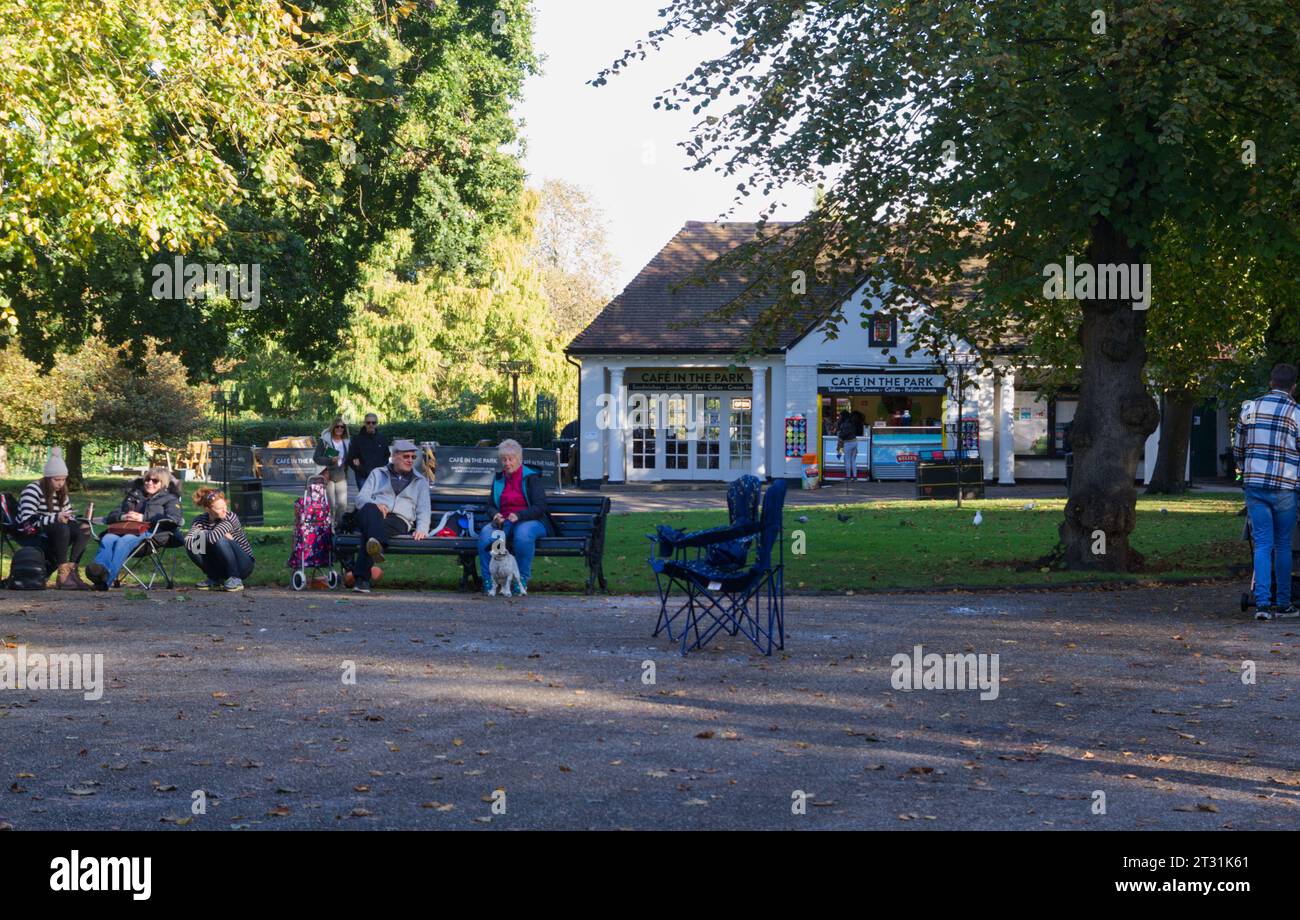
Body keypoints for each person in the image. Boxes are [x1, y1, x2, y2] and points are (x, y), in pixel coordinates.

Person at [1235, 363, 1300, 620]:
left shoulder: (1250, 408)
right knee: (1283, 544)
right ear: (1293, 386)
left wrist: (1243, 467)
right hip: (1285, 486)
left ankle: (1262, 604)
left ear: (1270, 382)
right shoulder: (1296, 412)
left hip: (1255, 485)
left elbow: (1238, 446)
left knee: (1263, 543)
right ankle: (1283, 603)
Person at [351, 439, 430, 593]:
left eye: (413, 457)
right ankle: (377, 546)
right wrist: (376, 505)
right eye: (406, 456)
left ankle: (362, 578)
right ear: (394, 457)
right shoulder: (377, 473)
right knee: (369, 509)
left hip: (398, 520)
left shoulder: (420, 481)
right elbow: (361, 498)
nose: (410, 460)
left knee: (369, 533)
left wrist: (422, 528)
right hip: (373, 513)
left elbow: (424, 508)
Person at [477, 439, 555, 595]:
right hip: (504, 521)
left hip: (531, 520)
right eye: (504, 460)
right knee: (486, 535)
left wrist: (520, 515)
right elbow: (490, 505)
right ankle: (488, 580)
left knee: (523, 535)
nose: (507, 463)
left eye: (510, 459)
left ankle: (521, 580)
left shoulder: (531, 478)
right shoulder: (499, 479)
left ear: (519, 460)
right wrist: (495, 515)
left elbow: (540, 506)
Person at [85, 467, 182, 590]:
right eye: (147, 479)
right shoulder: (134, 495)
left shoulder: (170, 499)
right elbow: (113, 513)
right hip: (125, 529)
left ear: (163, 483)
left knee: (124, 541)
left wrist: (143, 518)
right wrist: (123, 516)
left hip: (151, 535)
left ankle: (105, 580)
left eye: (155, 480)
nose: (149, 483)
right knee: (108, 538)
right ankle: (97, 571)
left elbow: (174, 518)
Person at [16, 447, 91, 589]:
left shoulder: (61, 492)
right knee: (61, 527)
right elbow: (27, 521)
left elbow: (66, 512)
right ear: (47, 478)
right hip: (33, 530)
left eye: (63, 479)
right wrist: (56, 517)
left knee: (84, 529)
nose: (61, 483)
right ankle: (62, 574)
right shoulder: (32, 490)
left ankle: (72, 571)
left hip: (55, 527)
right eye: (57, 480)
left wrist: (73, 518)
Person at [185, 486, 256, 591]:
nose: (224, 510)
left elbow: (214, 538)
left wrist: (201, 533)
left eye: (225, 506)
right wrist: (206, 534)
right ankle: (215, 578)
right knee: (193, 546)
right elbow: (188, 541)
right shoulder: (199, 520)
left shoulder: (230, 517)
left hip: (243, 564)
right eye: (219, 508)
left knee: (219, 540)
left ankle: (235, 578)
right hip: (220, 563)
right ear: (208, 509)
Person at [313, 417, 351, 526]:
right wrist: (330, 460)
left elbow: (350, 458)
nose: (339, 429)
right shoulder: (324, 440)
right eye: (337, 426)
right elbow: (316, 458)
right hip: (328, 475)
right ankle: (329, 526)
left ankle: (339, 526)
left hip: (341, 476)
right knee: (331, 505)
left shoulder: (347, 442)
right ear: (333, 427)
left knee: (343, 505)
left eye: (342, 427)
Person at [346, 413, 390, 494]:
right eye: (368, 422)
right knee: (365, 502)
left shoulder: (382, 438)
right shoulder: (357, 439)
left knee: (378, 501)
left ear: (377, 423)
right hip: (363, 477)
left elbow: (386, 455)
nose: (371, 425)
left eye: (373, 422)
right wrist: (359, 469)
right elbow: (351, 458)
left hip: (379, 477)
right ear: (364, 423)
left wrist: (382, 470)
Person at [836, 410, 860, 481]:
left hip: (848, 443)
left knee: (847, 460)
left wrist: (839, 434)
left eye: (840, 415)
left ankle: (848, 477)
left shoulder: (844, 424)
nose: (839, 417)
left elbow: (844, 434)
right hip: (854, 442)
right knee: (853, 460)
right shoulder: (851, 422)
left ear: (843, 416)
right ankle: (855, 477)